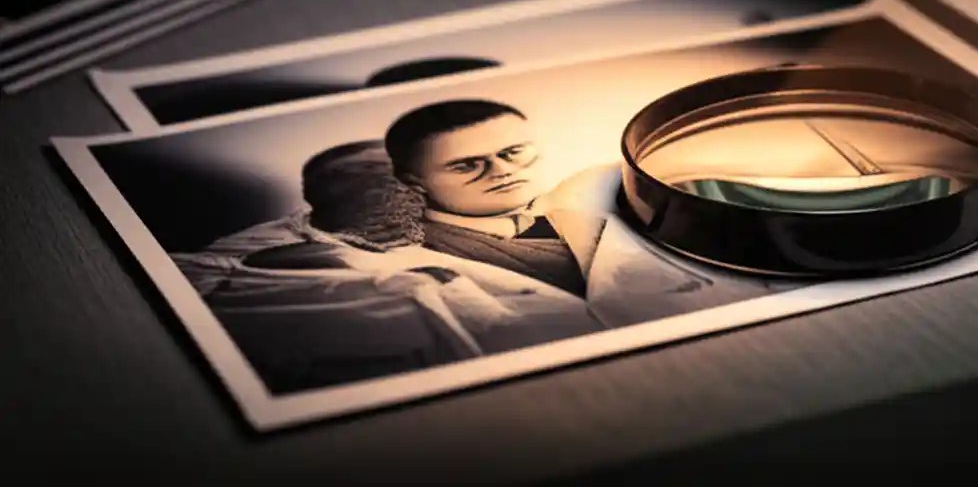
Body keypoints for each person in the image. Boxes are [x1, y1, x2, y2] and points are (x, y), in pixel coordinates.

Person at [173, 100, 775, 393]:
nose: (500, 170)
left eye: (513, 153)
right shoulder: (352, 250)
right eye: (466, 164)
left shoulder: (599, 198)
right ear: (413, 180)